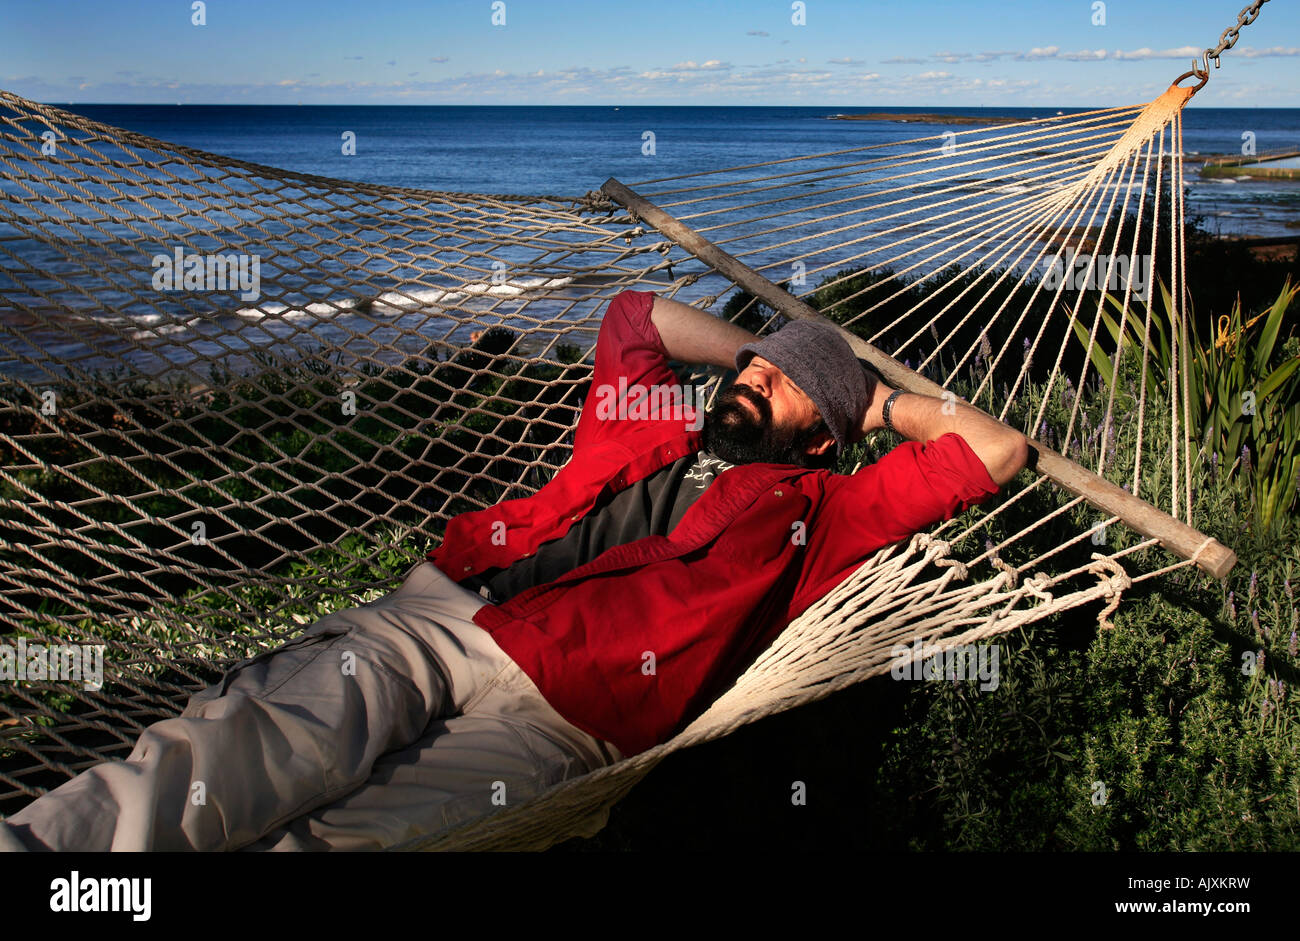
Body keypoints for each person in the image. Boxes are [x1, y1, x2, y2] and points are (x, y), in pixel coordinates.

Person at [0, 290, 1027, 851]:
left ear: (826, 435)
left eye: (788, 387)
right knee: (231, 754)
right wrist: (767, 346)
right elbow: (635, 315)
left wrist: (876, 406)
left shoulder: (826, 512)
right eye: (756, 370)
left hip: (563, 717)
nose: (759, 382)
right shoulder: (645, 425)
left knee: (379, 841)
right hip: (445, 618)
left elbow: (992, 451)